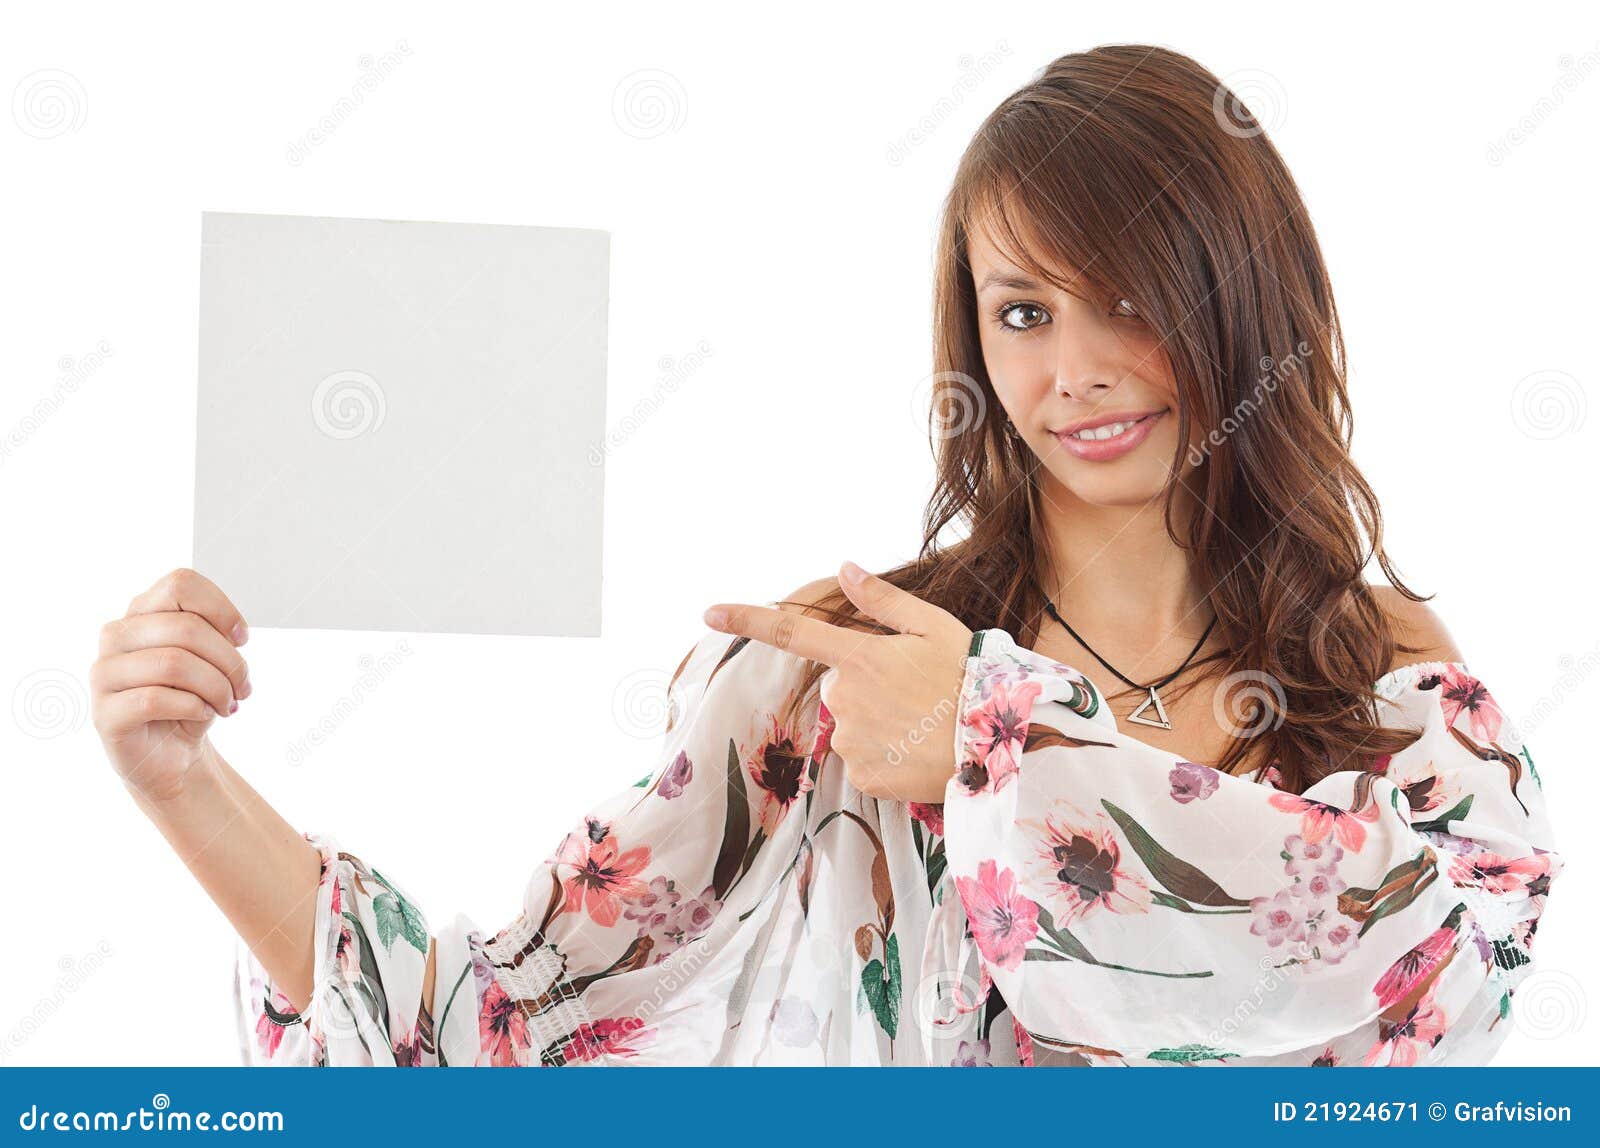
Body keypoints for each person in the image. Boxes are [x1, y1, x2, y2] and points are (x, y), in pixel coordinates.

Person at [91, 44, 1562, 1067]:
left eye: (1130, 298)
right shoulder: (837, 686)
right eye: (1025, 311)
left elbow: (1429, 980)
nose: (1080, 372)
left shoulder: (1381, 679)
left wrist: (997, 750)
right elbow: (501, 1034)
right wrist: (181, 780)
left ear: (1246, 297)